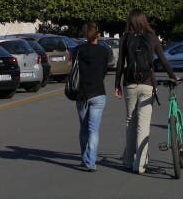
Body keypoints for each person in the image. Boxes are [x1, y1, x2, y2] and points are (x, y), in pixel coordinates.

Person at [114, 9, 177, 175]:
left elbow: (121, 62)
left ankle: (128, 161)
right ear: (144, 21)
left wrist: (117, 84)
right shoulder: (152, 37)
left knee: (130, 122)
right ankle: (139, 165)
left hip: (130, 84)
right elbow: (163, 61)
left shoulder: (125, 38)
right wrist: (173, 76)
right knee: (143, 125)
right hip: (148, 83)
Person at [74, 22, 111, 172]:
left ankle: (85, 158)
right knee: (93, 129)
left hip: (82, 93)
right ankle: (91, 162)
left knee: (83, 128)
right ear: (98, 34)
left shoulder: (78, 50)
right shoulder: (104, 51)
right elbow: (104, 71)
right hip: (98, 93)